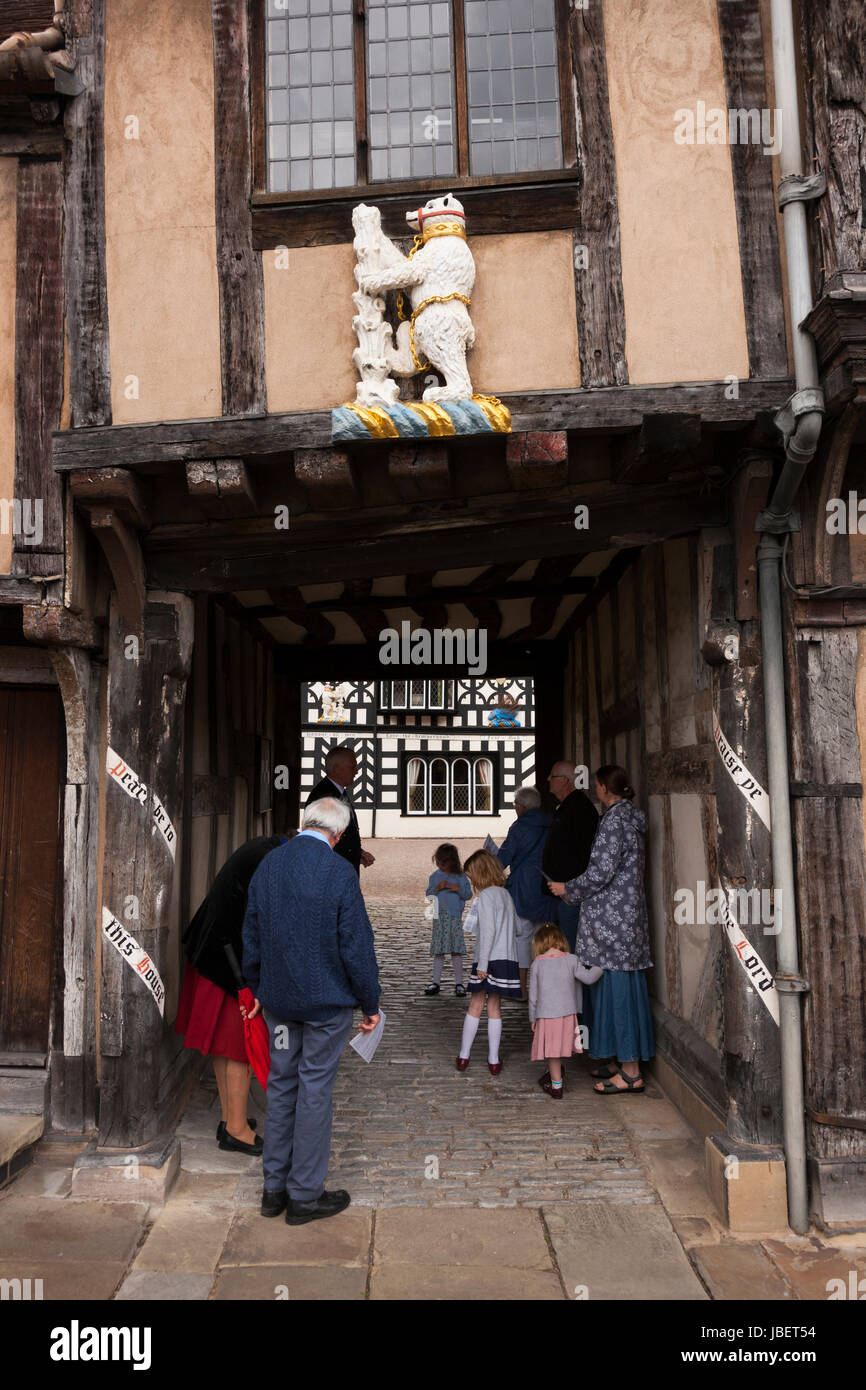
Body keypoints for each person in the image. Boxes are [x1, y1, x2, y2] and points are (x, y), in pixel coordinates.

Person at [242, 798, 381, 1224]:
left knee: (282, 1085)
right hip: (324, 1006)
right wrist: (370, 1002)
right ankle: (303, 1194)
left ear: (306, 823)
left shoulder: (269, 865)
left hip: (281, 1003)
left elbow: (251, 931)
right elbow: (355, 947)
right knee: (315, 1089)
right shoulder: (338, 871)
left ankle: (273, 1188)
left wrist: (258, 986)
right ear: (337, 836)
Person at [175, 831, 295, 1155]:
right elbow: (264, 923)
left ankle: (231, 1118)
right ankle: (236, 1130)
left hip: (216, 950)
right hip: (228, 960)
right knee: (238, 1048)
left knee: (224, 1046)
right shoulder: (271, 861)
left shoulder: (264, 849)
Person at [549, 765, 653, 1094]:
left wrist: (567, 888)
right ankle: (621, 1060)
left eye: (596, 785)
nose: (594, 789)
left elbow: (600, 873)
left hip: (613, 924)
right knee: (612, 990)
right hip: (621, 922)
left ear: (606, 788)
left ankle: (632, 1071)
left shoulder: (615, 821)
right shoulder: (626, 818)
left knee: (620, 994)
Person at [456, 850, 521, 1074]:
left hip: (488, 959)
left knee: (475, 1005)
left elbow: (488, 933)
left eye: (471, 876)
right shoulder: (505, 895)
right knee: (495, 1007)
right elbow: (519, 929)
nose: (471, 881)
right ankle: (494, 1060)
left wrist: (482, 964)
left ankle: (464, 1055)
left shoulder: (485, 897)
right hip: (506, 959)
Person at [528, 923, 603, 1099]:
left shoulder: (537, 965)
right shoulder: (571, 960)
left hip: (547, 1015)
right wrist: (602, 965)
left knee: (552, 1053)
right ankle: (555, 1073)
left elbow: (533, 997)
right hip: (568, 1014)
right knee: (558, 1048)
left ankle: (556, 1086)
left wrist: (533, 1018)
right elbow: (589, 978)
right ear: (561, 940)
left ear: (539, 944)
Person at [496, 785, 552, 997]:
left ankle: (522, 987)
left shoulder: (519, 827)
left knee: (522, 937)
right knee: (545, 937)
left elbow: (503, 858)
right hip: (546, 886)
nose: (514, 807)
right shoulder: (550, 823)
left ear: (522, 806)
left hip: (523, 887)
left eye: (515, 803)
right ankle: (544, 987)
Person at [542, 760, 599, 952]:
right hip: (562, 891)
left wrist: (569, 889)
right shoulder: (567, 806)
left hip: (570, 893)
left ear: (566, 781)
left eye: (553, 776)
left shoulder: (579, 809)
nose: (548, 779)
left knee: (570, 950)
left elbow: (582, 853)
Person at [306, 744, 375, 876]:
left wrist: (358, 853)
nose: (357, 771)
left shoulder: (337, 791)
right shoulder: (325, 796)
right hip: (334, 875)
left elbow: (342, 834)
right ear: (337, 769)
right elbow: (323, 841)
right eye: (352, 766)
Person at [424, 843, 473, 997]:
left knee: (455, 951)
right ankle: (435, 982)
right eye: (439, 862)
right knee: (438, 951)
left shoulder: (460, 877)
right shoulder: (434, 876)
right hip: (440, 918)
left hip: (454, 918)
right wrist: (437, 888)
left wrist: (456, 888)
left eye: (444, 862)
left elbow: (468, 894)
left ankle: (459, 983)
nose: (440, 865)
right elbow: (429, 895)